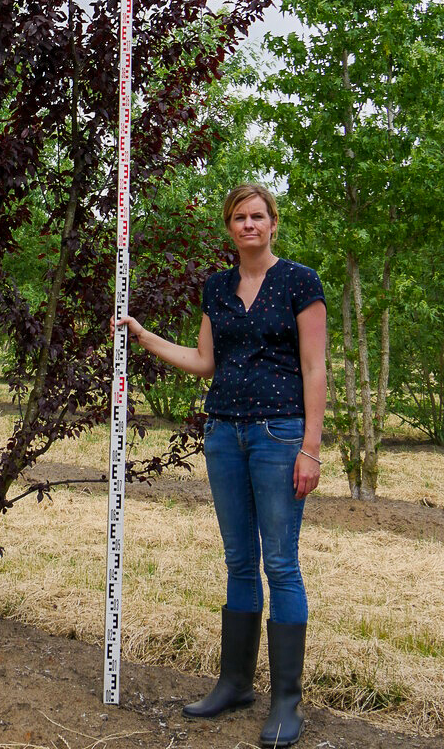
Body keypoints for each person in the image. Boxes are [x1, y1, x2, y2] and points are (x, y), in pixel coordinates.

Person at [115, 184, 326, 748]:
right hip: (224, 434)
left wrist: (311, 446)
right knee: (238, 559)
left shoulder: (301, 282)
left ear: (273, 223)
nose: (249, 225)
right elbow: (205, 361)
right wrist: (145, 337)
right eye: (239, 217)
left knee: (280, 561)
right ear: (229, 226)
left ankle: (286, 699)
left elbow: (314, 368)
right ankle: (234, 682)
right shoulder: (216, 287)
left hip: (280, 434)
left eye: (258, 216)